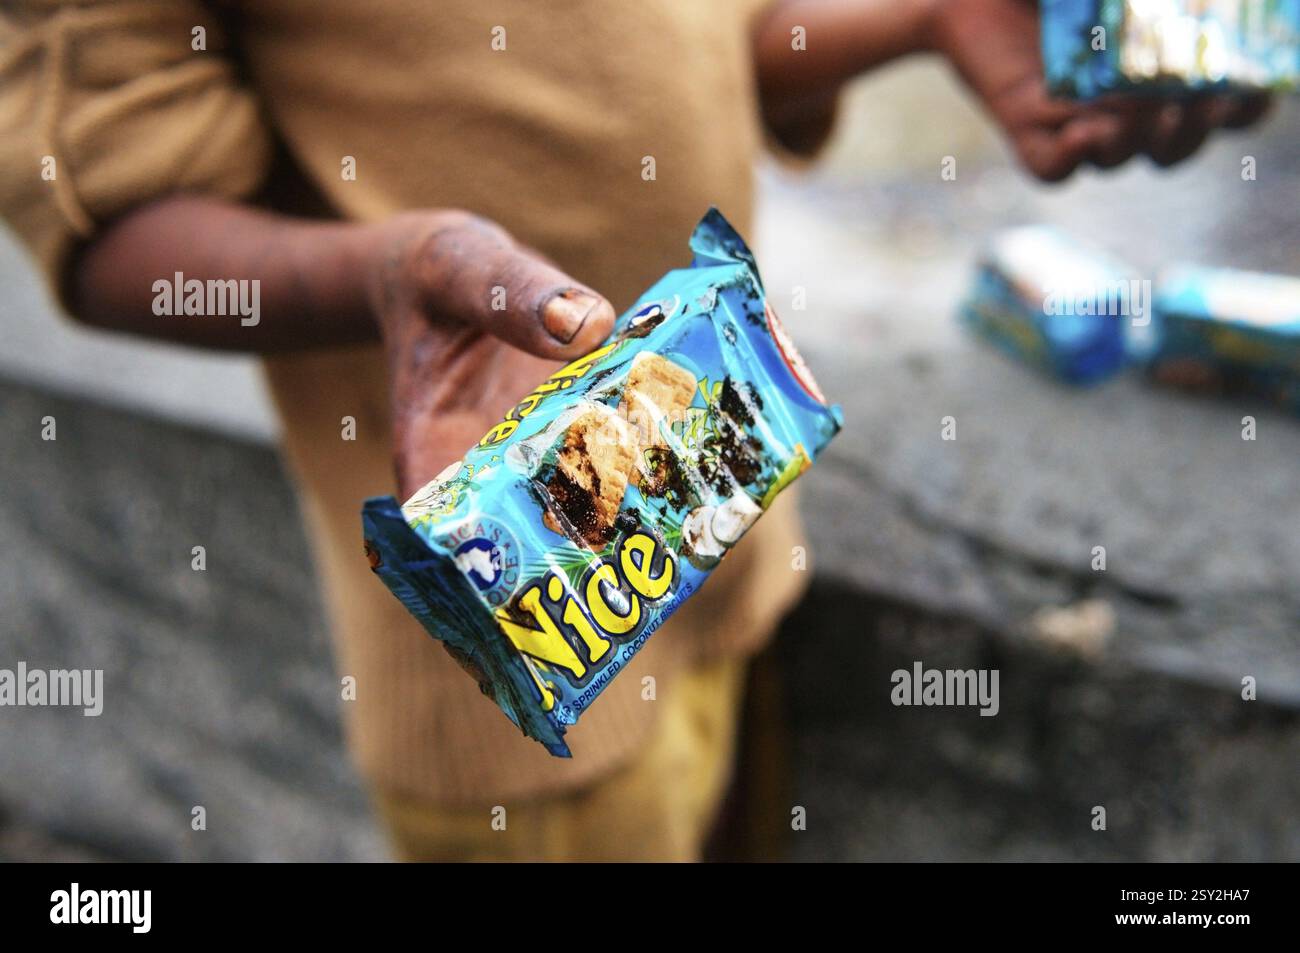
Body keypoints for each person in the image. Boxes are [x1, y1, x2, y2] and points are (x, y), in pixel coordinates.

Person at [0, 0, 1267, 861]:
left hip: (721, 539)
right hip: (509, 663)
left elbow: (710, 39)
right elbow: (109, 207)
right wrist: (391, 273)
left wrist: (929, 15)